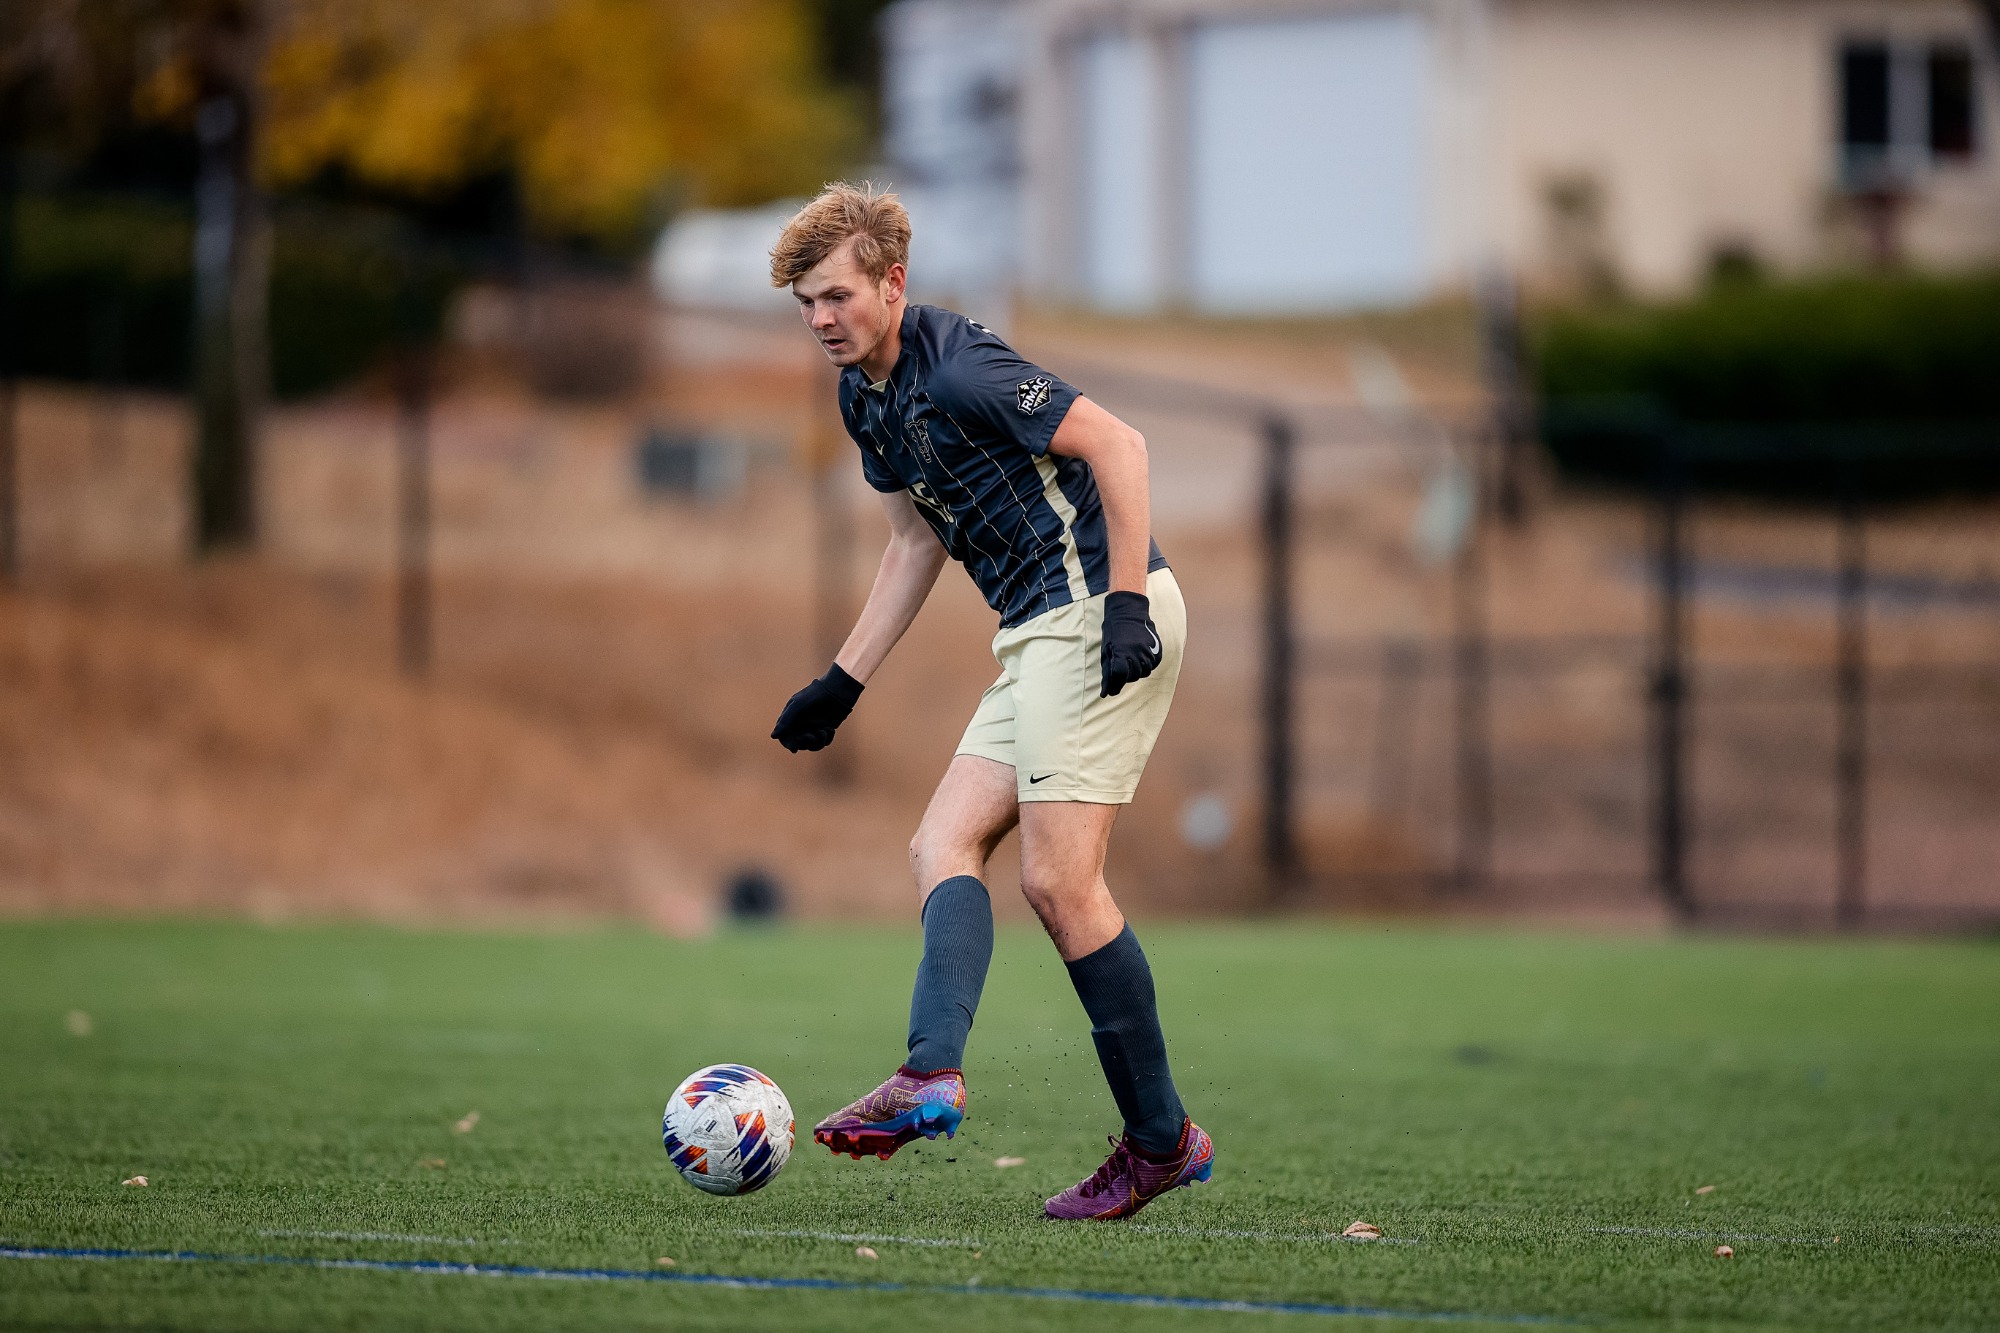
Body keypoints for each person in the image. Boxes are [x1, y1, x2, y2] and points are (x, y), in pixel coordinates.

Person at [766, 183, 1210, 1221]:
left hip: (1097, 608)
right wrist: (843, 678)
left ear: (891, 283)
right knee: (940, 843)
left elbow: (1120, 446)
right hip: (1035, 634)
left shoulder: (960, 366)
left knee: (1059, 884)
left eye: (836, 294)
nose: (821, 318)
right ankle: (929, 1072)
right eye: (804, 302)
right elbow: (914, 540)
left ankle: (1158, 1141)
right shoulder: (860, 398)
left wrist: (1127, 602)